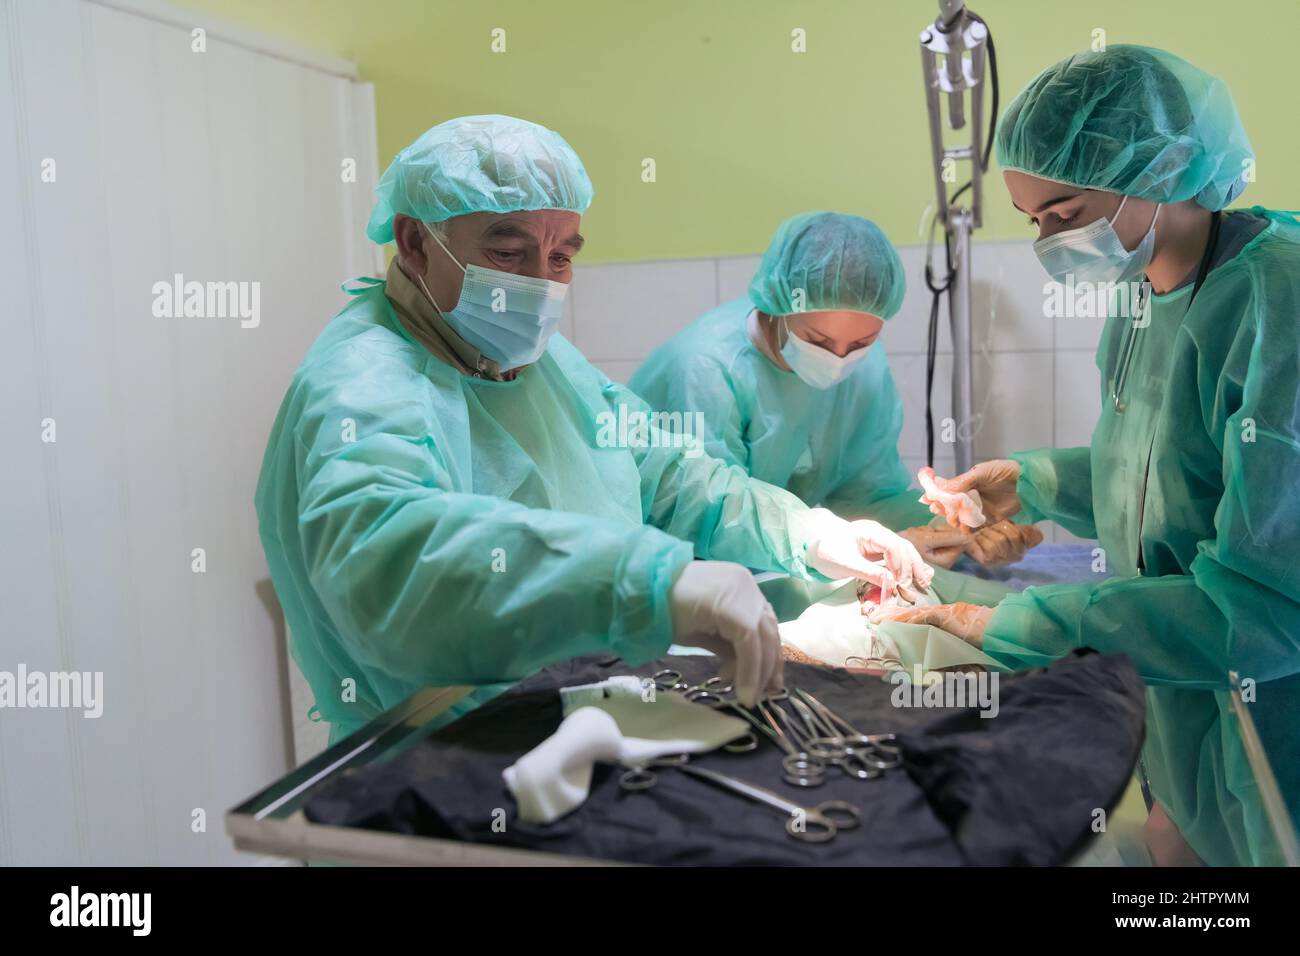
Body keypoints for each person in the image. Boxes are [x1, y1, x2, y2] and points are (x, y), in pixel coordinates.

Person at [255, 115, 930, 744]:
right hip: (434, 754)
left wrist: (807, 533)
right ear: (412, 241)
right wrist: (648, 582)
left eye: (561, 258)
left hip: (571, 716)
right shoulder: (361, 381)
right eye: (509, 253)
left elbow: (668, 472)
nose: (541, 285)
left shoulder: (537, 361)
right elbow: (389, 563)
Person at [878, 46, 1300, 866]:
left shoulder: (1279, 305)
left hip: (1275, 721)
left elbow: (1262, 609)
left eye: (1063, 213)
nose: (1048, 242)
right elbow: (1159, 466)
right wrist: (1030, 484)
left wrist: (1017, 623)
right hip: (1191, 711)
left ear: (1161, 169)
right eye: (1033, 219)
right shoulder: (1144, 294)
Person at [630, 211, 1041, 570]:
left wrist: (955, 530)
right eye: (819, 342)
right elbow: (707, 519)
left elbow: (864, 497)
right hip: (675, 570)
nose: (840, 360)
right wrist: (845, 551)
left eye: (861, 344)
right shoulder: (706, 370)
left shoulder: (866, 371)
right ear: (777, 307)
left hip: (790, 561)